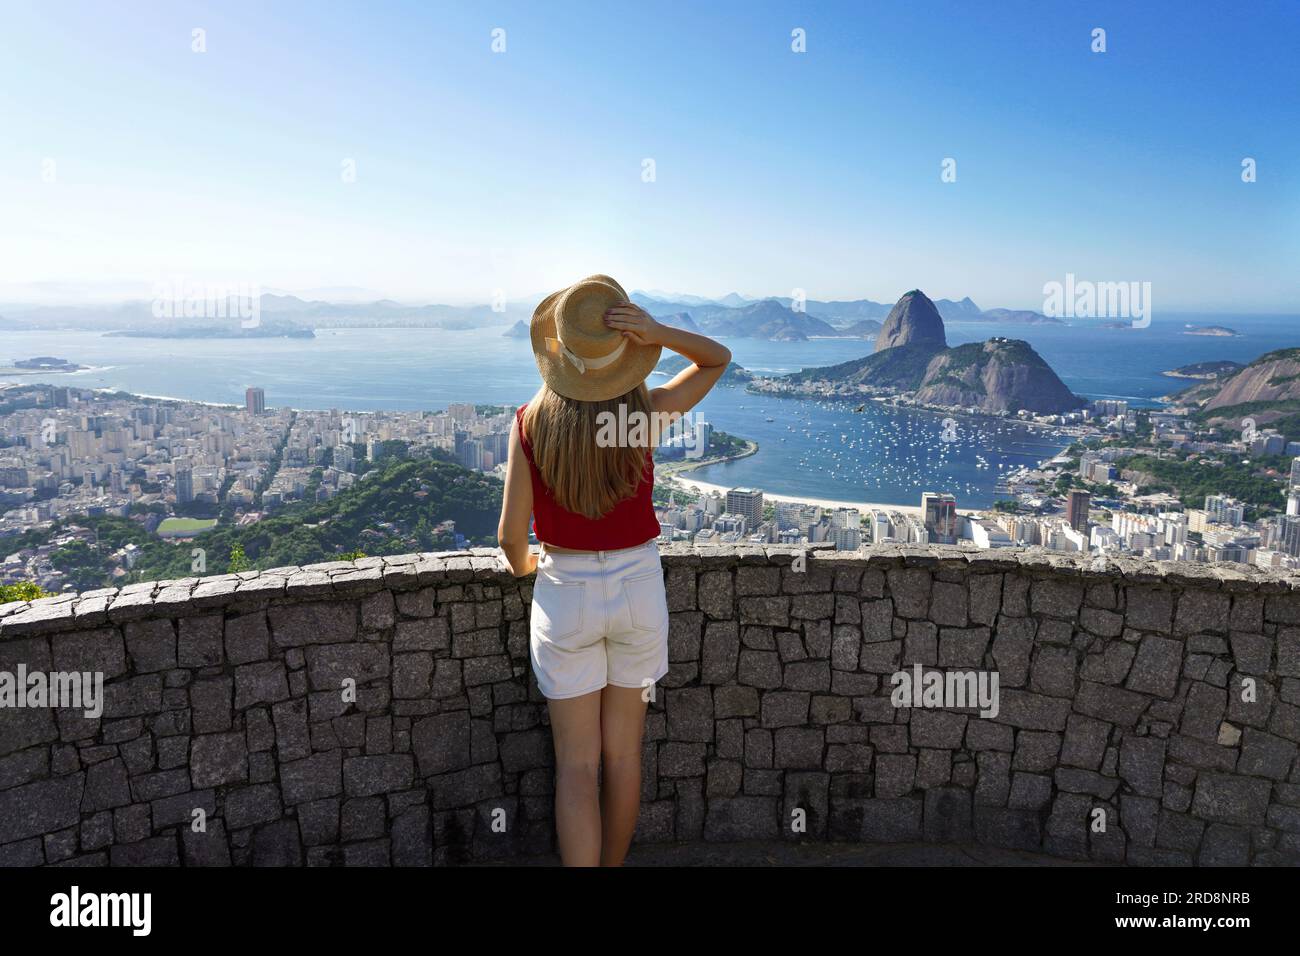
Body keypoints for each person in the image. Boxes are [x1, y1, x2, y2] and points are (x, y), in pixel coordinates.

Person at [497, 274, 731, 866]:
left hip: (564, 592)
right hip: (637, 589)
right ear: (622, 352)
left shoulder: (530, 423)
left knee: (576, 766)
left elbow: (509, 539)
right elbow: (716, 361)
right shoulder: (641, 416)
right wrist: (657, 332)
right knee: (623, 757)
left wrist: (531, 566)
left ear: (557, 351)